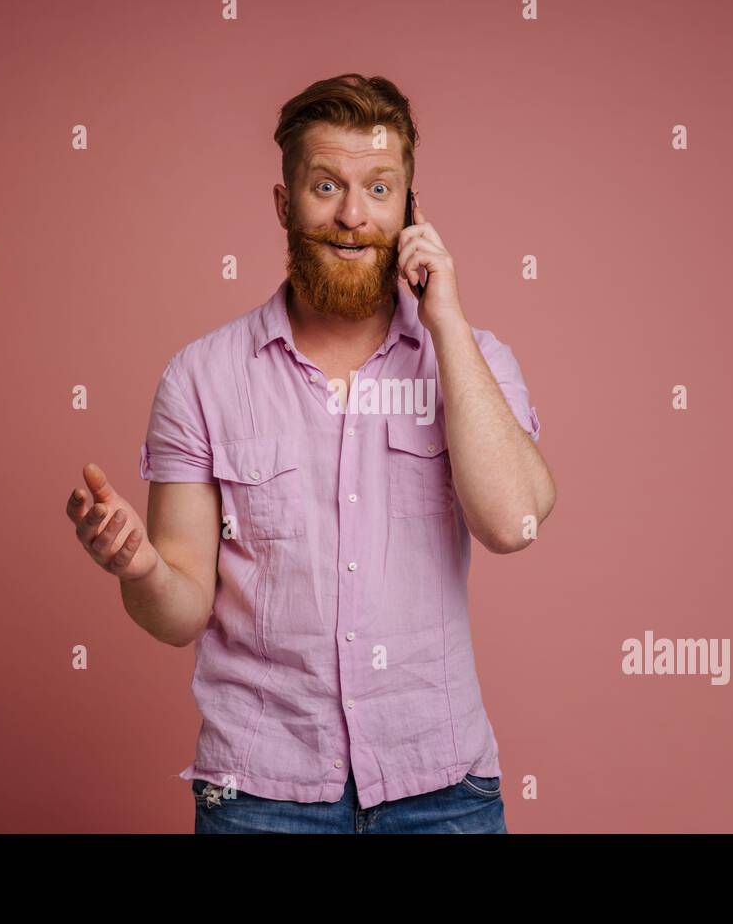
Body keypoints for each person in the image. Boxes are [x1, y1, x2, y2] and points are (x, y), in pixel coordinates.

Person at [66, 73, 556, 833]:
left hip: (444, 790)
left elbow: (513, 522)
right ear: (284, 203)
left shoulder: (472, 360)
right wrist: (140, 569)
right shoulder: (201, 377)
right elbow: (180, 608)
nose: (353, 216)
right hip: (260, 798)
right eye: (326, 185)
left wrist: (447, 319)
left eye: (380, 189)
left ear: (412, 209)